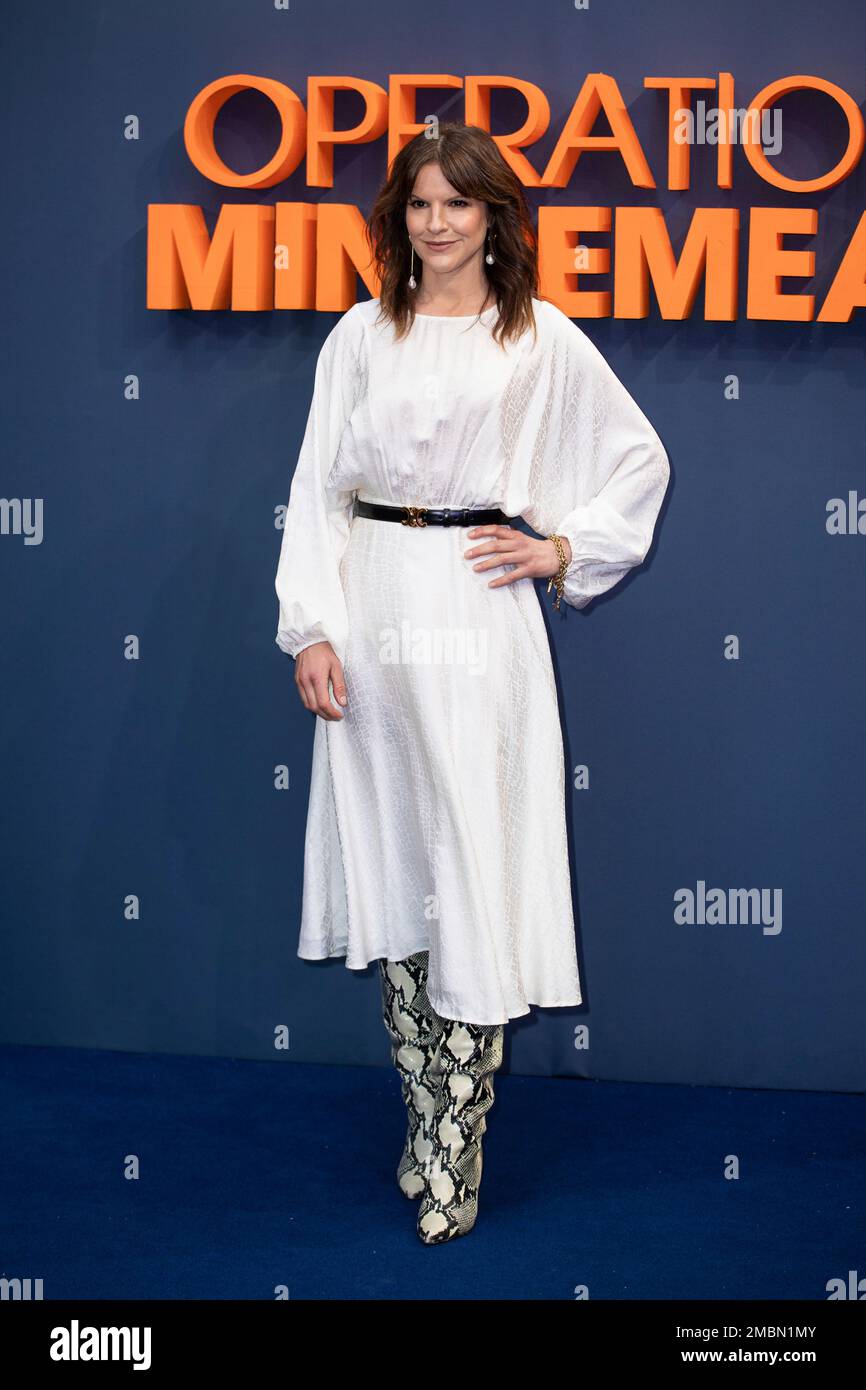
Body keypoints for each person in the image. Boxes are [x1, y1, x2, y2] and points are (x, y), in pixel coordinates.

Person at [274, 121, 670, 1245]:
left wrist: (558, 547)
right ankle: (423, 1118)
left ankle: (457, 1141)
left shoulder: (537, 338)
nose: (437, 223)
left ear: (495, 216)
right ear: (397, 219)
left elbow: (637, 458)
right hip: (371, 610)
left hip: (476, 615)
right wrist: (309, 626)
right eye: (419, 204)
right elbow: (315, 487)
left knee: (470, 869)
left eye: (459, 204)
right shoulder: (358, 335)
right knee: (397, 867)